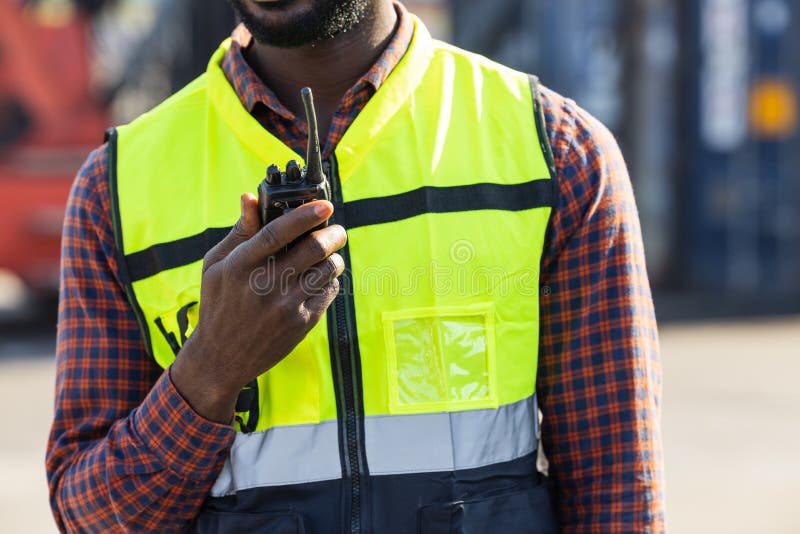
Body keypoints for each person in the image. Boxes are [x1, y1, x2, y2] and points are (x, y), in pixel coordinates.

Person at [46, 1, 664, 532]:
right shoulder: (119, 190)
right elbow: (90, 517)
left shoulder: (555, 152)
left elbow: (618, 496)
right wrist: (210, 372)